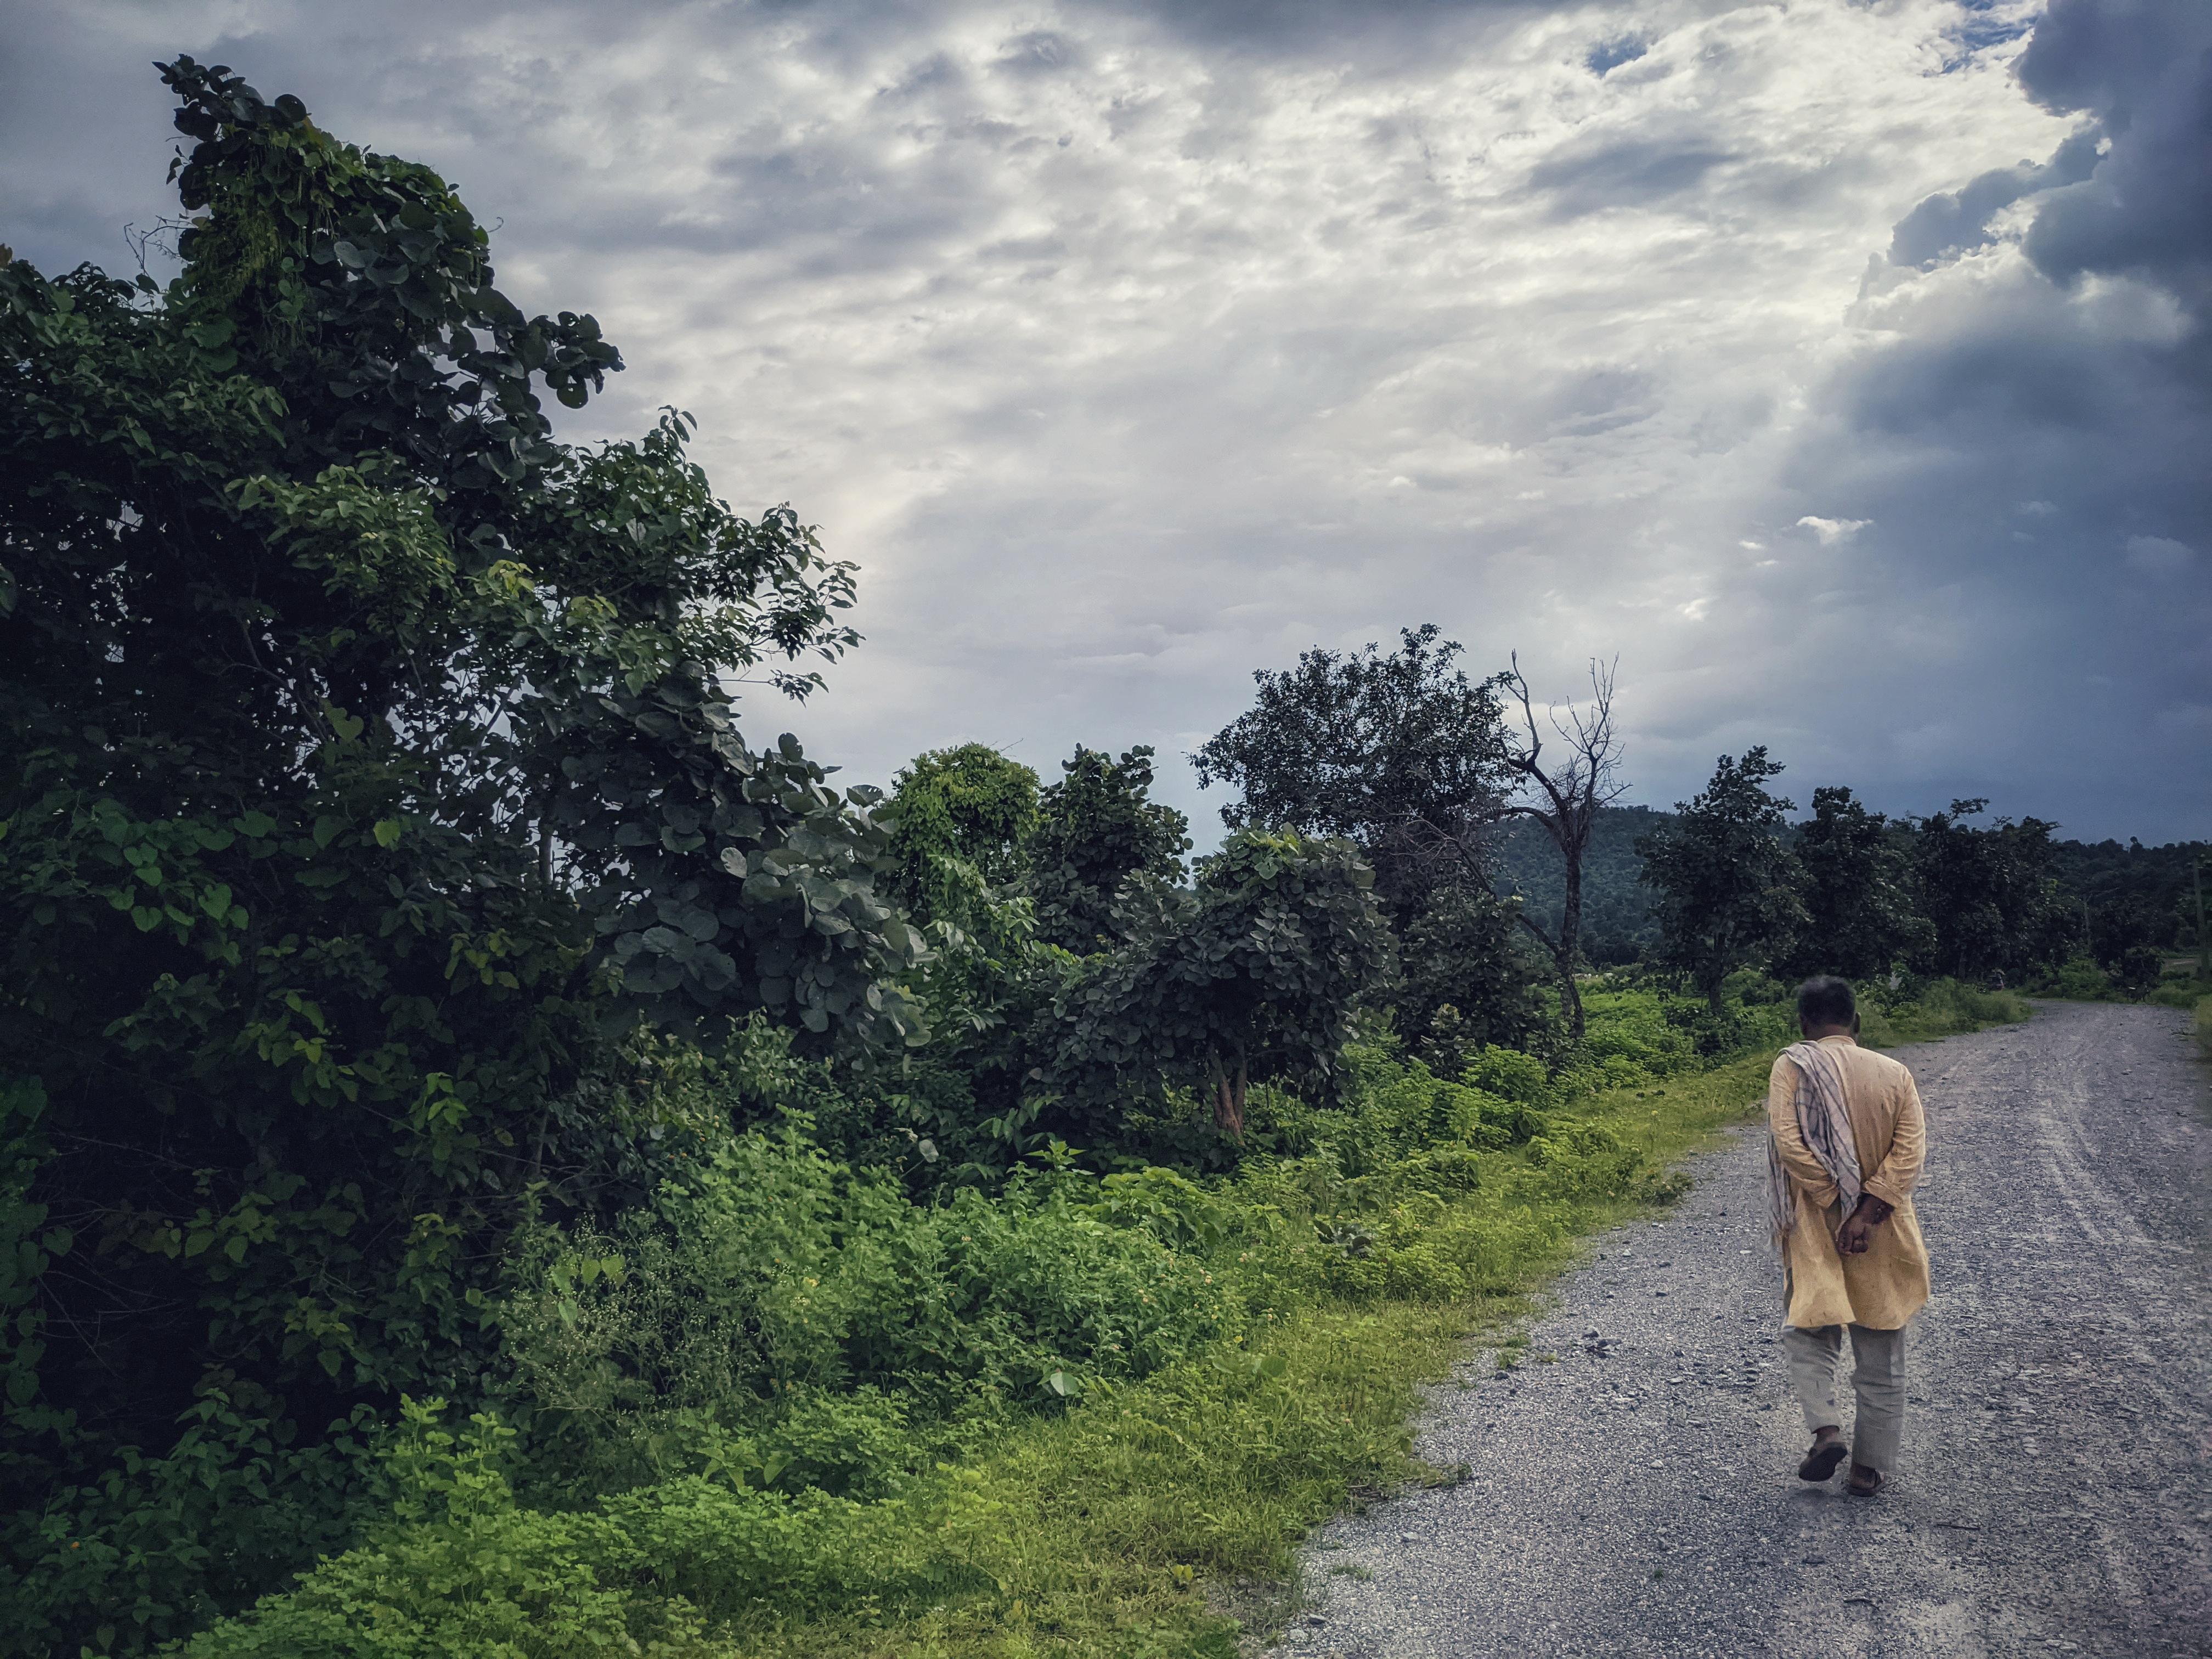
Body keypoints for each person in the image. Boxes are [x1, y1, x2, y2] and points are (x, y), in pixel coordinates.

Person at [1765, 975, 1929, 1497]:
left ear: (1804, 1025)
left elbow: (1788, 1143)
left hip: (1815, 1225)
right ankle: (1867, 1470)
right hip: (1882, 1227)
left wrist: (1834, 1202)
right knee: (1882, 1354)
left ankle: (1827, 1431)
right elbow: (1909, 1154)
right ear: (1856, 1023)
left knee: (1809, 1331)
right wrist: (1867, 1210)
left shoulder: (1792, 1066)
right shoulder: (1895, 1073)